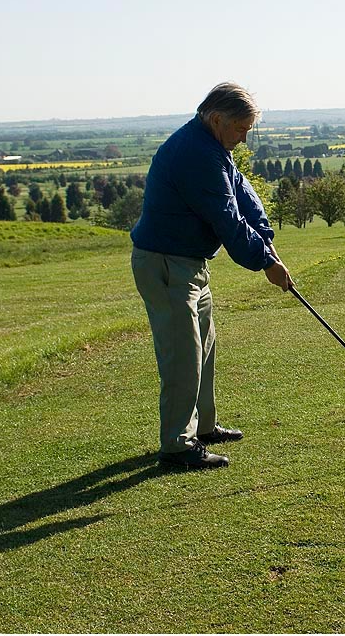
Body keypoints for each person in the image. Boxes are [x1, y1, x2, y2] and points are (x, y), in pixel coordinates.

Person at [130, 82, 293, 469]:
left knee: (204, 347)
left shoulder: (212, 146)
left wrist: (266, 242)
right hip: (167, 264)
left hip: (191, 263)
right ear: (217, 118)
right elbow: (226, 218)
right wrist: (265, 263)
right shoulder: (194, 153)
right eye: (241, 129)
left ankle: (203, 427)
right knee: (182, 356)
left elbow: (243, 194)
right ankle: (176, 447)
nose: (243, 137)